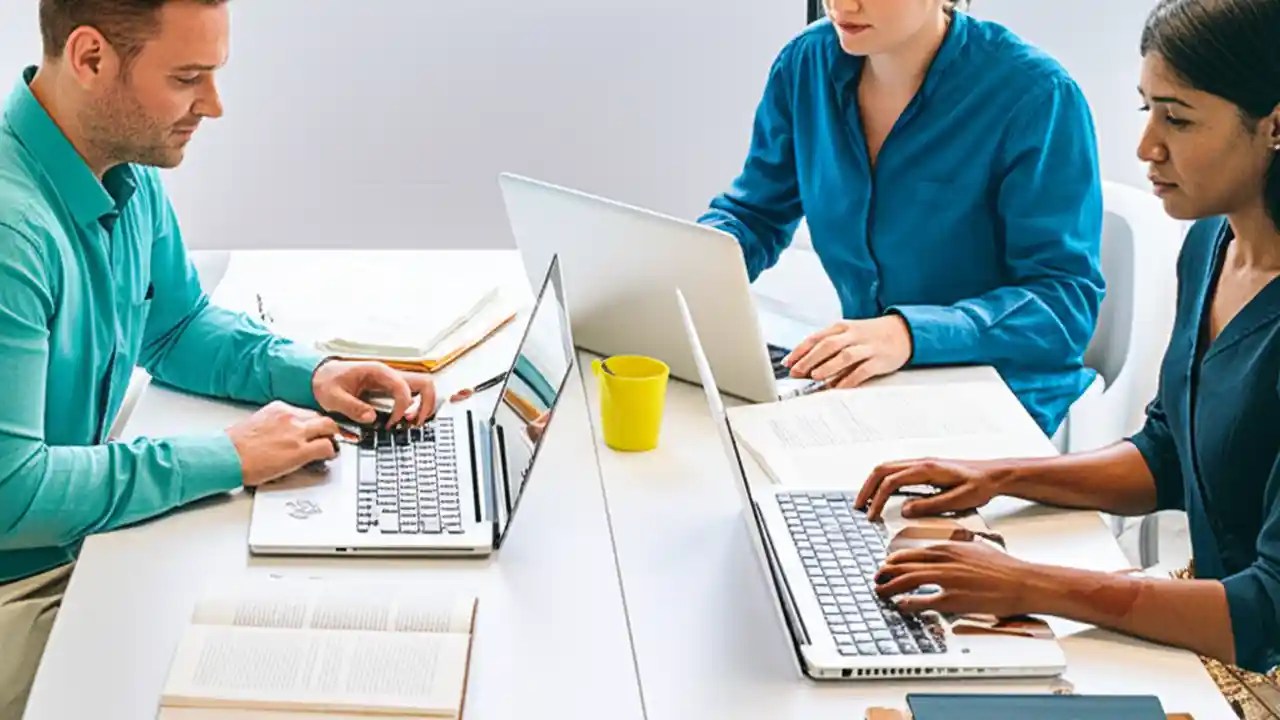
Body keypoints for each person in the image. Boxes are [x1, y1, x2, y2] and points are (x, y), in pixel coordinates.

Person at [0, 2, 437, 716]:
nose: (213, 104)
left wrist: (316, 374)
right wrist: (230, 456)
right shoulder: (11, 232)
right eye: (186, 78)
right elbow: (12, 496)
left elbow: (176, 326)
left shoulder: (121, 168)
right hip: (17, 587)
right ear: (90, 58)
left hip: (74, 547)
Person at [857, 0, 1280, 676]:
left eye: (1177, 118)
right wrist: (997, 475)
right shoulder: (1212, 243)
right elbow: (1170, 455)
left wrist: (1027, 583)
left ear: (1274, 125)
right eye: (1147, 109)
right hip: (1215, 624)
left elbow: (1266, 614)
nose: (1146, 146)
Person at [699, 0, 1105, 436]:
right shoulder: (806, 64)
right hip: (866, 387)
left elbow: (1064, 302)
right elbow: (754, 214)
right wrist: (688, 268)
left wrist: (909, 334)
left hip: (999, 395)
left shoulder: (1038, 96)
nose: (842, 5)